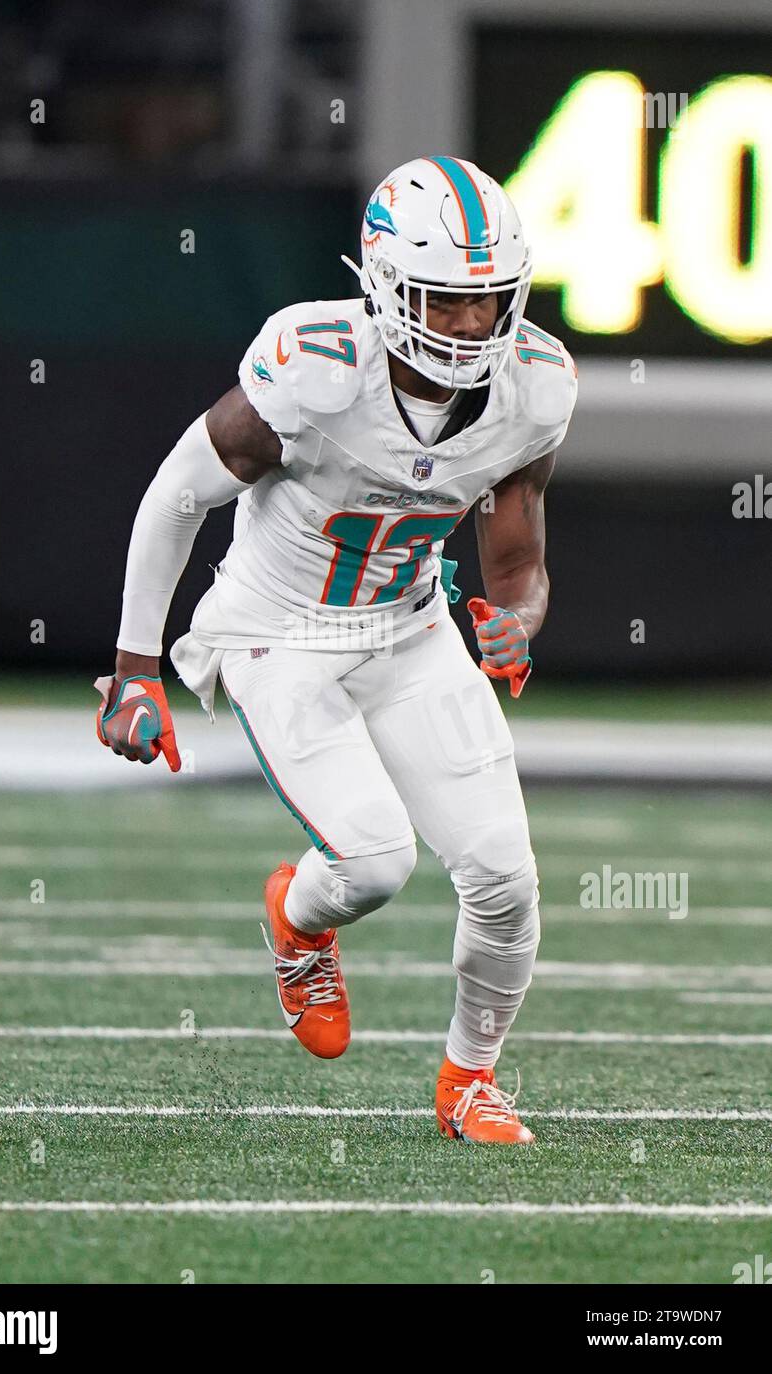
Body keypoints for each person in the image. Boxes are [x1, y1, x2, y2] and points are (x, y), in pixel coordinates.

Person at [96, 155, 578, 1144]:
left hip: (407, 630)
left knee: (504, 875)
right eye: (445, 303)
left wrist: (511, 620)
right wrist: (135, 670)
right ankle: (299, 918)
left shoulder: (532, 388)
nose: (471, 327)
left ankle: (468, 1083)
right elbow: (177, 494)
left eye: (489, 304)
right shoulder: (313, 367)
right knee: (372, 860)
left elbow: (517, 557)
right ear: (390, 288)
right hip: (278, 632)